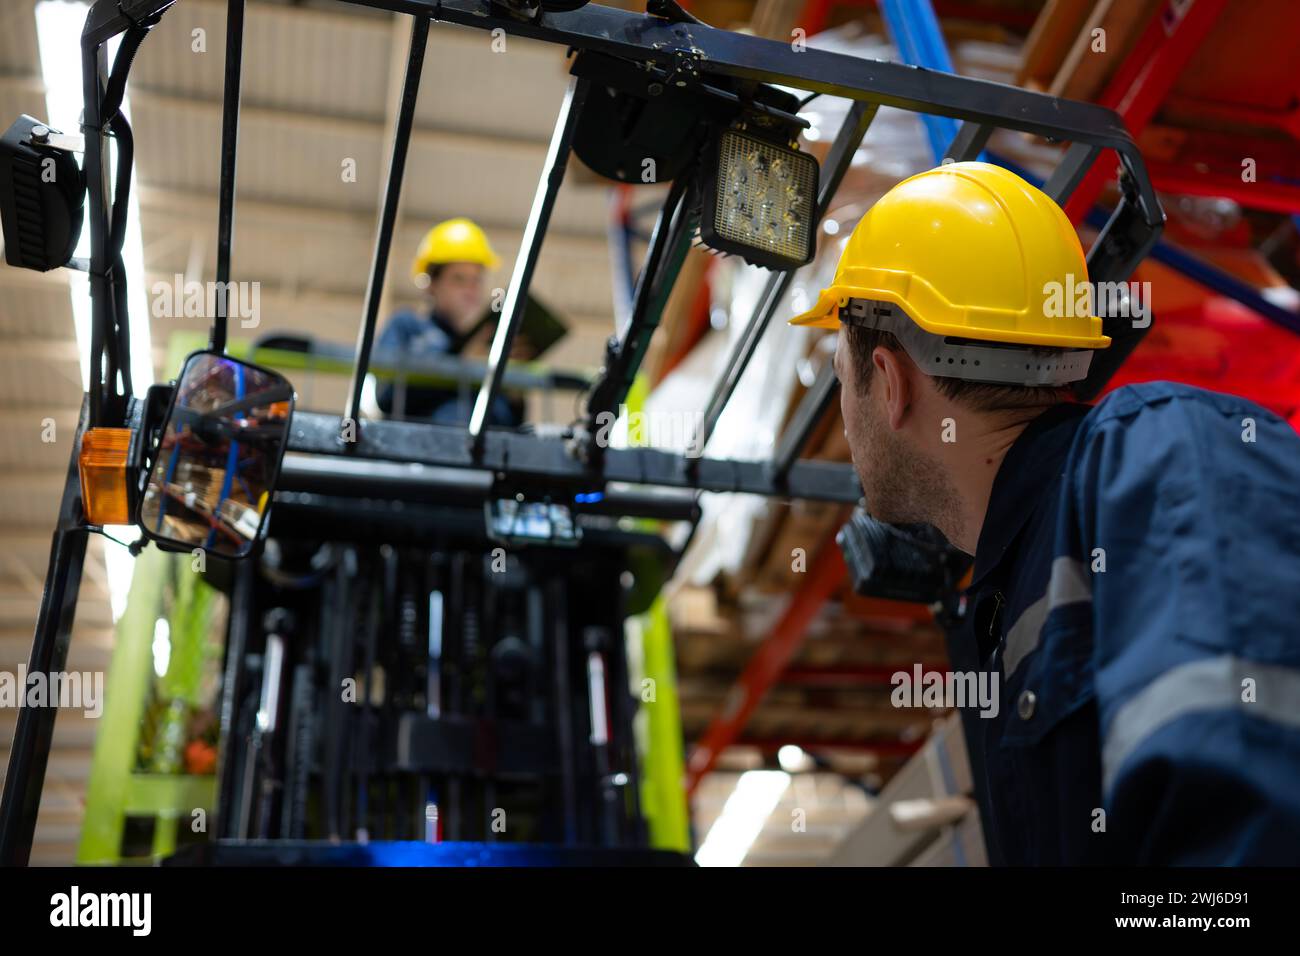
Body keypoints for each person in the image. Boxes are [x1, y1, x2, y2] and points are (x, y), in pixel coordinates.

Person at [791, 161, 1300, 865]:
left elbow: (1244, 830)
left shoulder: (1159, 451)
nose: (846, 423)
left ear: (888, 383)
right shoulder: (1016, 585)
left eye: (843, 382)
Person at [374, 217, 518, 426]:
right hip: (420, 450)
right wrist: (460, 362)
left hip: (478, 455)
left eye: (476, 280)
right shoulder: (406, 327)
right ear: (431, 284)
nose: (471, 291)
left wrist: (514, 391)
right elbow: (387, 396)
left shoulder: (491, 344)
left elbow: (508, 423)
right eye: (459, 279)